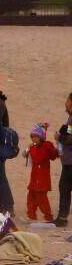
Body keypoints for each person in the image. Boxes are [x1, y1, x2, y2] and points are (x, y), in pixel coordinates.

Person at [25, 123, 58, 223]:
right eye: (33, 137)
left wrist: (31, 149)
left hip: (42, 179)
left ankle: (48, 217)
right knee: (31, 198)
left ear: (41, 138)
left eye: (36, 137)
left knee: (42, 200)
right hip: (35, 178)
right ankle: (31, 217)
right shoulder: (37, 147)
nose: (34, 139)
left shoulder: (44, 147)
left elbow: (38, 159)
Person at [57, 93, 72, 227]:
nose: (65, 103)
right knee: (64, 187)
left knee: (65, 187)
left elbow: (70, 138)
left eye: (68, 100)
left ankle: (62, 218)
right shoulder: (70, 118)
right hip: (68, 161)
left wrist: (60, 137)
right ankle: (62, 217)